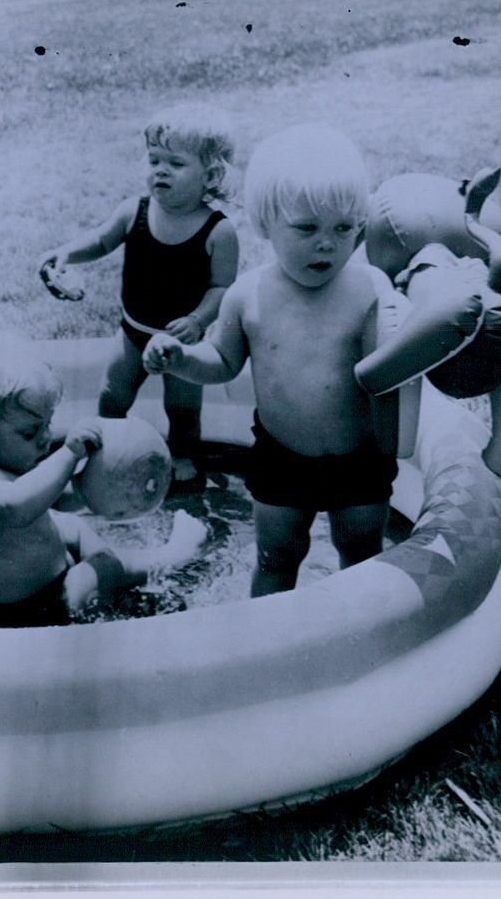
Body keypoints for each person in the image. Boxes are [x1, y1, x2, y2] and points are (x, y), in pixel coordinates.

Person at [144, 124, 397, 598]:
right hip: (282, 458)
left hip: (360, 457)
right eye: (307, 228)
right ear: (265, 223)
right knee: (276, 557)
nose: (327, 243)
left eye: (344, 228)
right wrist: (180, 359)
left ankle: (360, 635)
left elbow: (392, 366)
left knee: (362, 552)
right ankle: (262, 642)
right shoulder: (248, 295)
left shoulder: (369, 289)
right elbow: (220, 363)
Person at [0, 333, 206, 628]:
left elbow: (52, 498)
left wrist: (89, 487)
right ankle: (169, 557)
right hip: (28, 611)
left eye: (47, 425)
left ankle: (110, 556)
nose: (45, 438)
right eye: (29, 432)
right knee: (96, 572)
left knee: (72, 526)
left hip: (47, 579)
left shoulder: (6, 456)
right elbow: (14, 508)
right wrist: (67, 455)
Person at [38, 104, 240, 483]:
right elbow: (100, 240)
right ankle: (105, 455)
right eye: (153, 160)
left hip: (181, 342)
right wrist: (67, 252)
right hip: (133, 331)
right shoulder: (136, 211)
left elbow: (221, 288)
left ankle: (183, 461)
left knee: (182, 410)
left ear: (210, 175)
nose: (160, 170)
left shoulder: (218, 231)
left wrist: (198, 320)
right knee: (112, 396)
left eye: (175, 163)